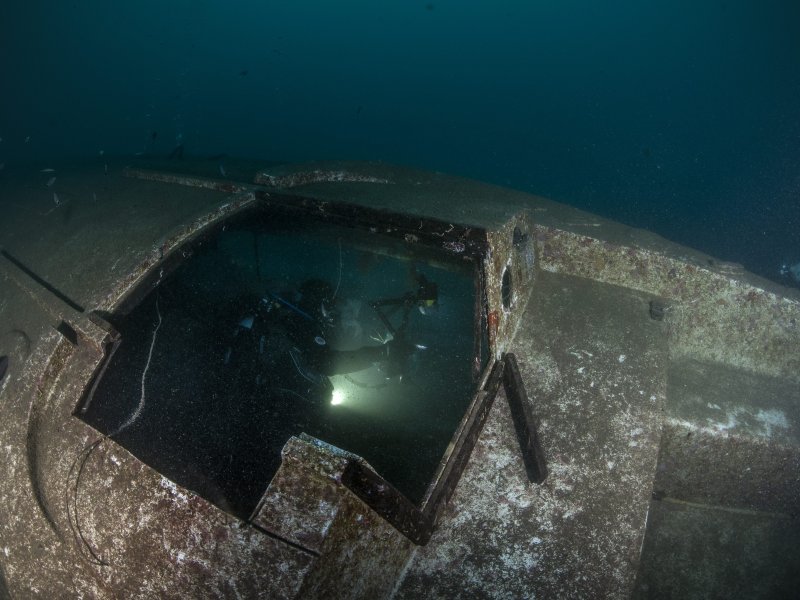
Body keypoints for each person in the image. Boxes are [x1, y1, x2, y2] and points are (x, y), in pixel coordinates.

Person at [222, 279, 412, 405]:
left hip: (251, 397)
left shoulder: (287, 320)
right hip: (264, 403)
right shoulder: (301, 322)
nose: (331, 313)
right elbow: (325, 362)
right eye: (327, 305)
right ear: (317, 301)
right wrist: (382, 353)